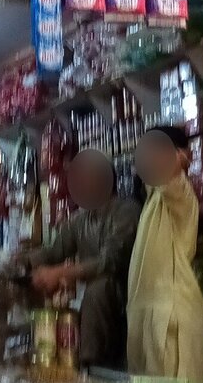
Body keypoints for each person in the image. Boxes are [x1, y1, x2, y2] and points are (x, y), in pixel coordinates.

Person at [29, 148, 140, 368]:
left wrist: (60, 273)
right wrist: (21, 262)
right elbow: (54, 251)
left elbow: (109, 262)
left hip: (126, 294)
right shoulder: (81, 219)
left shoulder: (127, 211)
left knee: (99, 288)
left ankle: (90, 366)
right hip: (95, 297)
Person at [127, 125, 203, 383]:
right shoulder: (152, 202)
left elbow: (172, 175)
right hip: (150, 323)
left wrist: (178, 158)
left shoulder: (181, 196)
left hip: (171, 324)